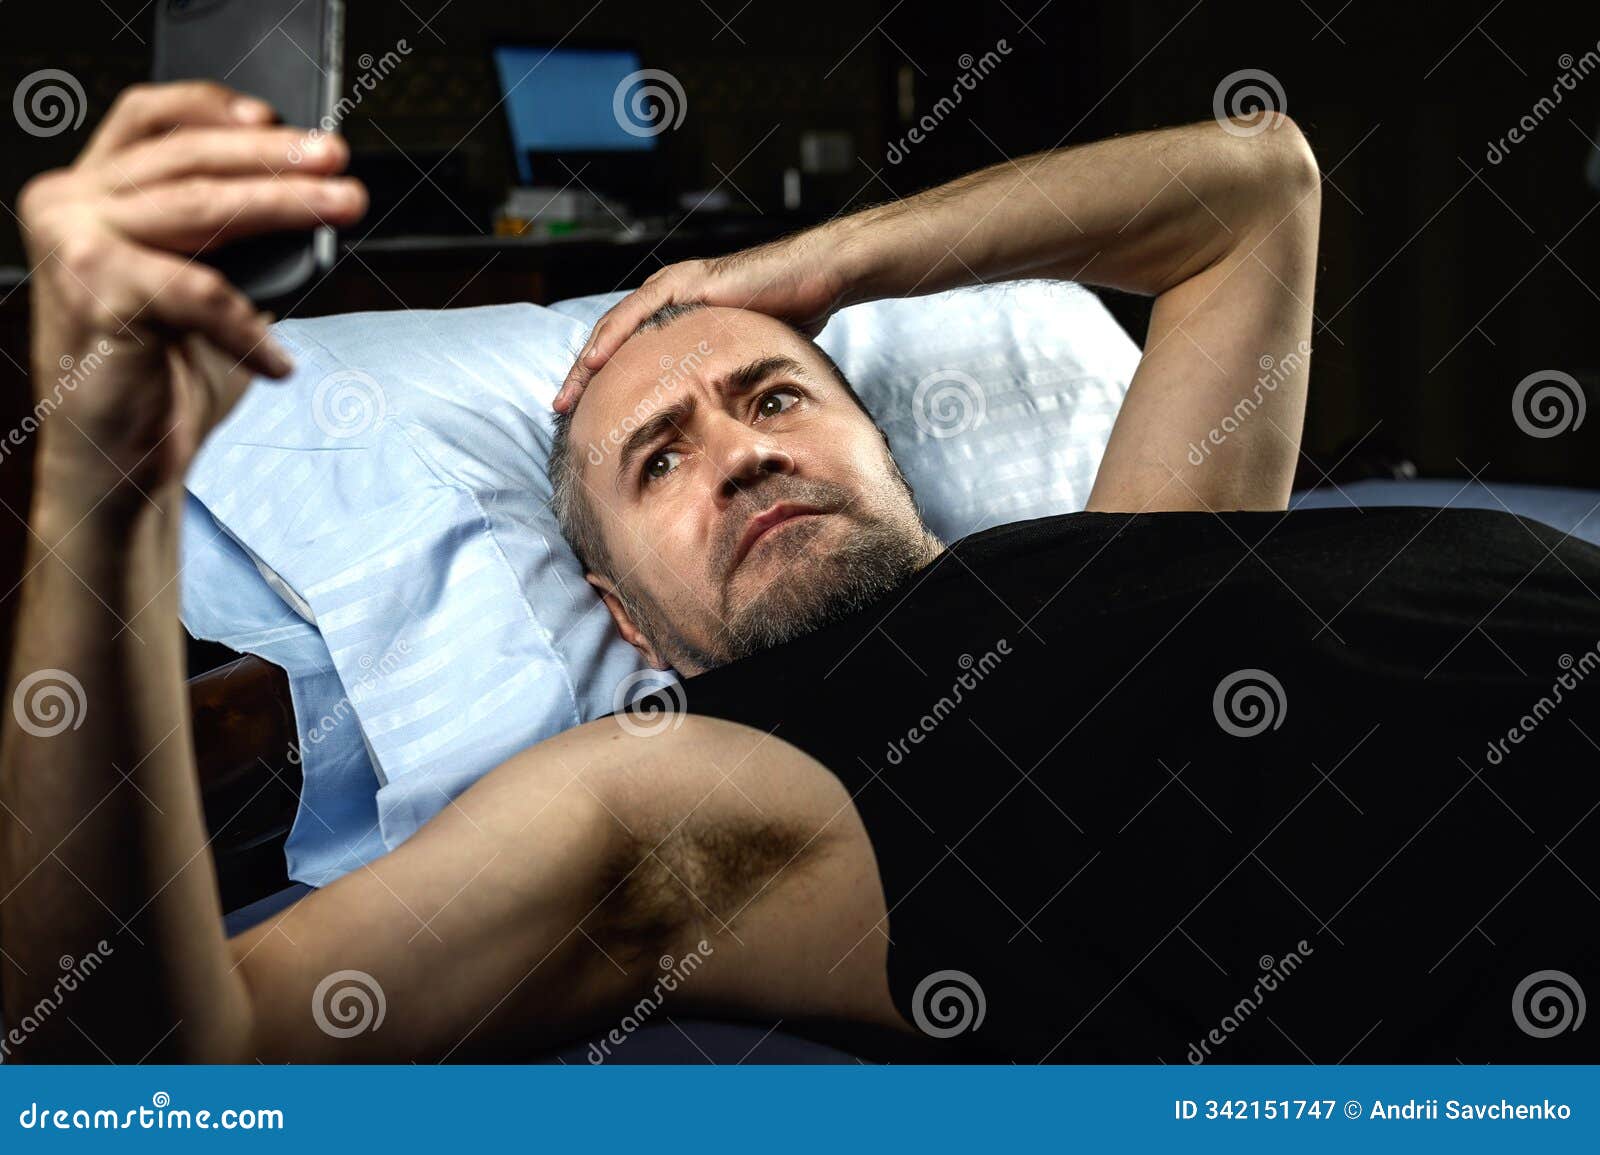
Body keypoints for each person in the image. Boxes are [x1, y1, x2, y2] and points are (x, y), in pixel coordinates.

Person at [3, 81, 1596, 1065]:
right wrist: (101, 494)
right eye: (657, 460)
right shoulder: (695, 788)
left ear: (885, 455)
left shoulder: (1134, 539)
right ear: (620, 617)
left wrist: (813, 268)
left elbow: (1259, 185)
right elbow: (148, 1056)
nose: (739, 452)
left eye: (775, 400)